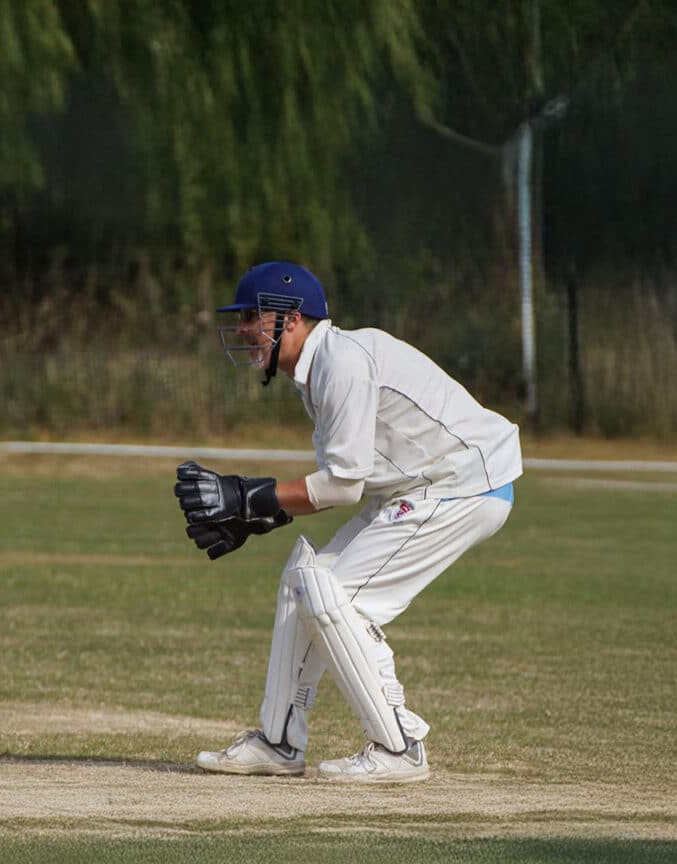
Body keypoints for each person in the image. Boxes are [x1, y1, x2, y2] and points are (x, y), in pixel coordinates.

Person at [174, 261, 521, 783]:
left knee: (336, 599)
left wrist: (252, 496)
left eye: (252, 315)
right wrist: (263, 510)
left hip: (463, 486)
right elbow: (347, 477)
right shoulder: (319, 369)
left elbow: (343, 484)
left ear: (291, 319)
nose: (244, 327)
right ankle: (280, 741)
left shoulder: (342, 364)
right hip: (422, 488)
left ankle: (398, 747)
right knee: (303, 584)